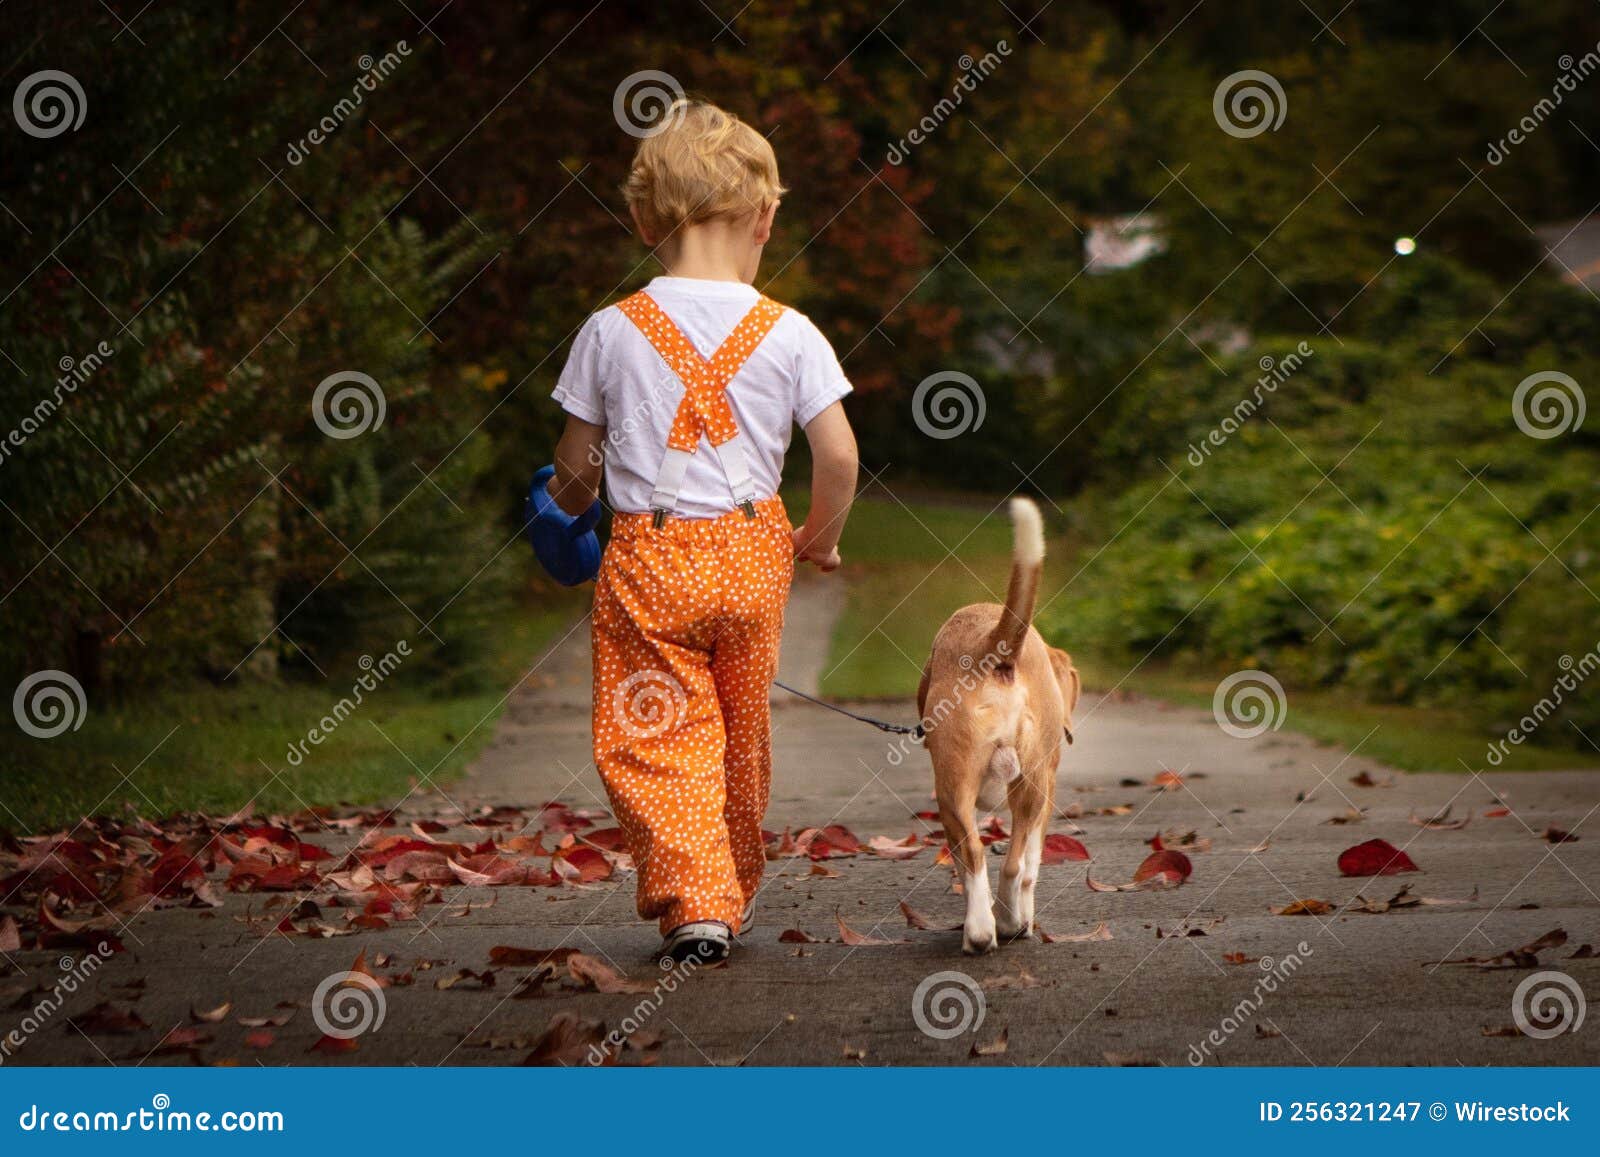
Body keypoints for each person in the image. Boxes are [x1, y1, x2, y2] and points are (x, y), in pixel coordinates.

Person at [541, 98, 859, 963]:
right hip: (755, 555)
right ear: (765, 217)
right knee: (740, 726)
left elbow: (576, 469)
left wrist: (566, 514)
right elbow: (837, 457)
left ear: (644, 219)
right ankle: (731, 882)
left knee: (656, 730)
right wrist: (820, 538)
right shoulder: (791, 332)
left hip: (650, 552)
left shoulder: (609, 331)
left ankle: (697, 898)